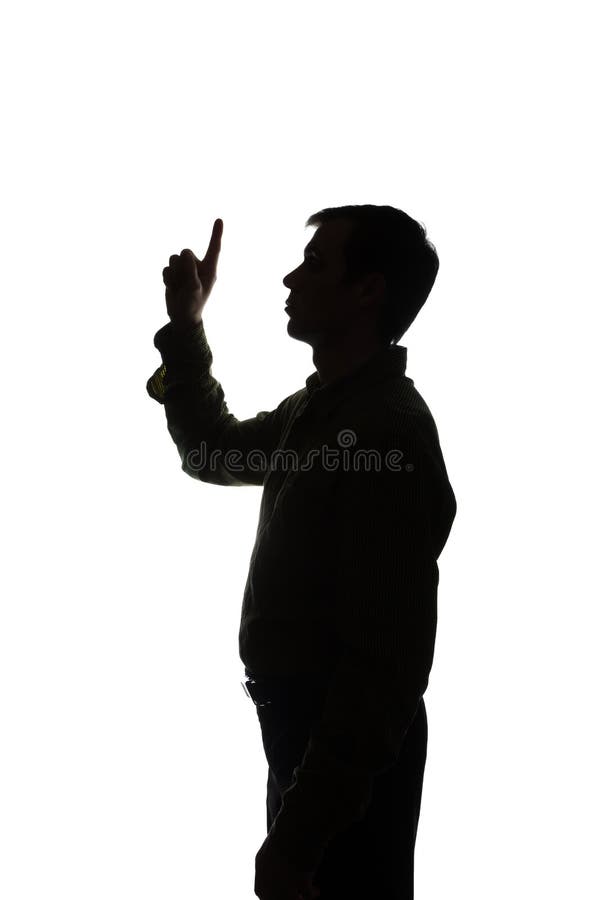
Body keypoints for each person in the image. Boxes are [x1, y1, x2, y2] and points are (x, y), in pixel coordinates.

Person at [146, 205, 457, 900]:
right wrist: (189, 326)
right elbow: (211, 450)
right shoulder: (318, 413)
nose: (291, 277)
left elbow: (384, 668)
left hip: (338, 762)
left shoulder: (387, 432)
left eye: (315, 263)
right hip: (308, 751)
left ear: (368, 290)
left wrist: (300, 833)